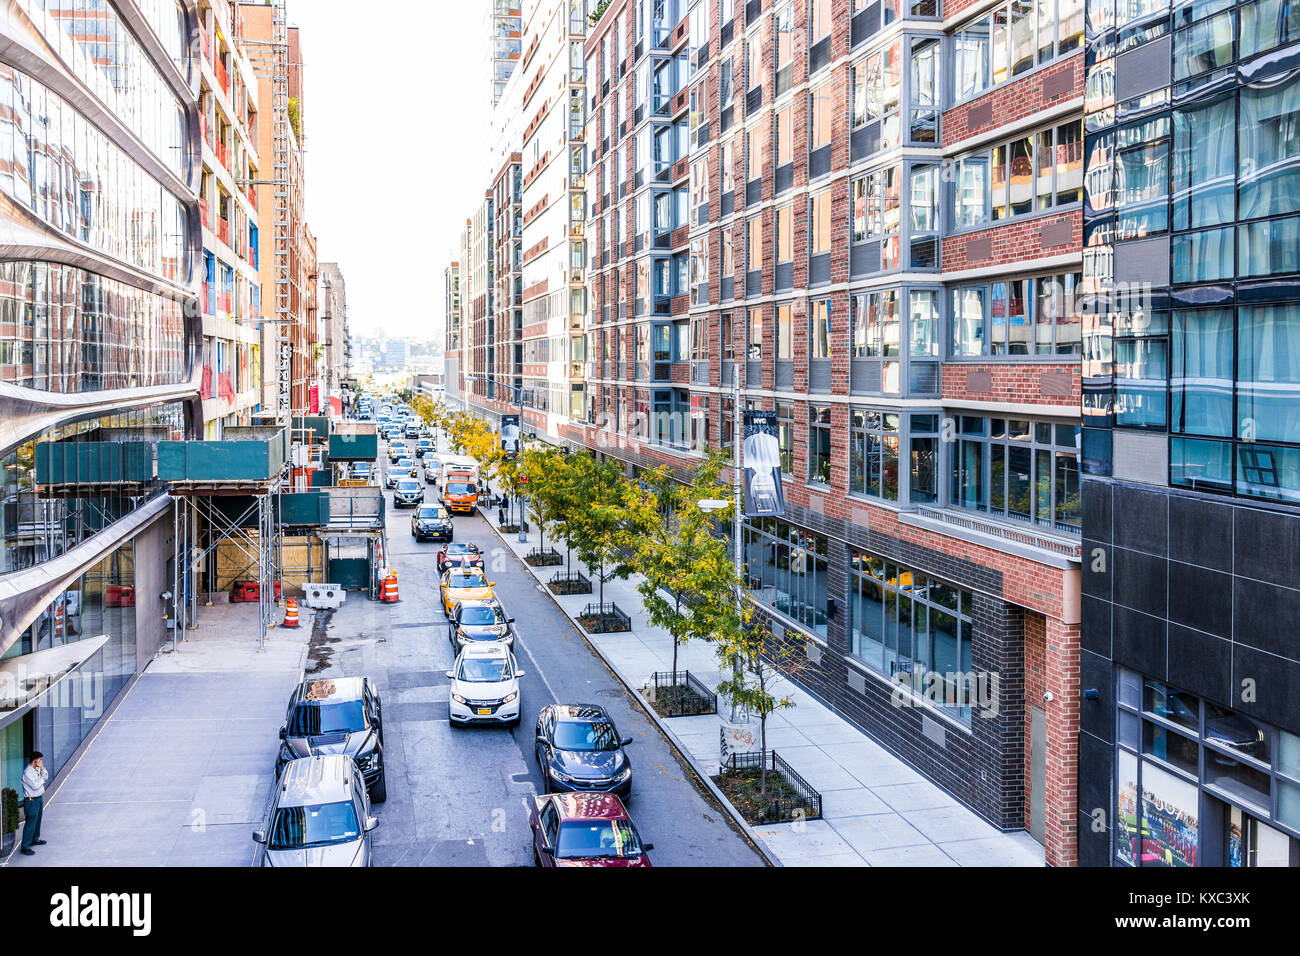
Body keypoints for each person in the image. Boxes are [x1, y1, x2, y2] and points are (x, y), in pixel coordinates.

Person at [20, 752, 49, 856]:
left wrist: (42, 769)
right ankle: (25, 846)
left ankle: (35, 839)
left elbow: (46, 776)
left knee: (38, 821)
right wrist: (41, 778)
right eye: (40, 760)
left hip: (39, 799)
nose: (41, 762)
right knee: (30, 823)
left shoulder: (37, 769)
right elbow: (35, 786)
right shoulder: (27, 773)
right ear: (35, 761)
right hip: (31, 801)